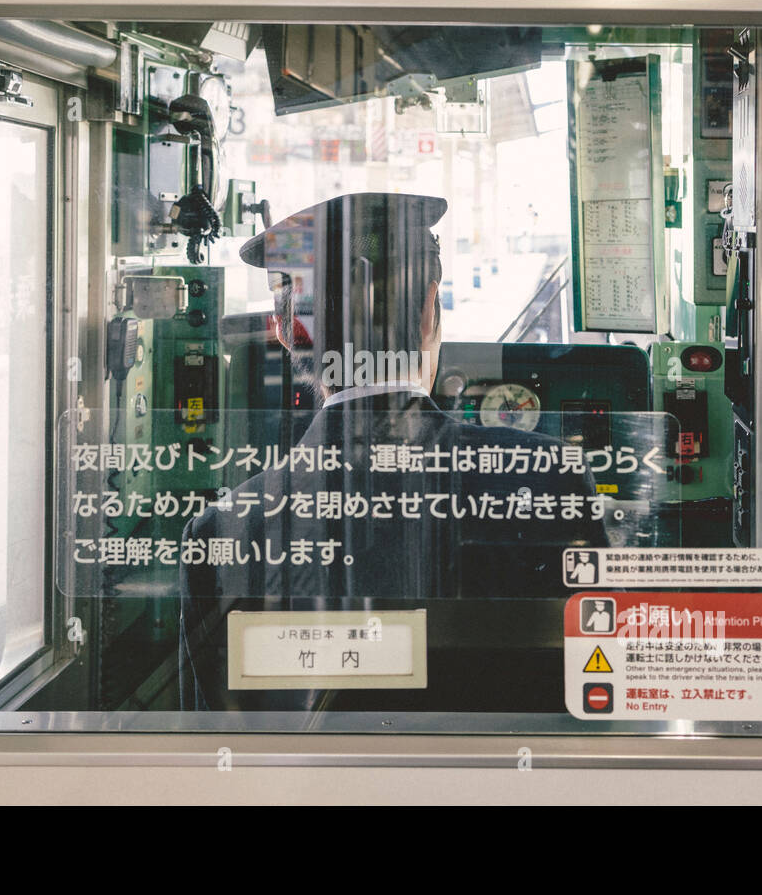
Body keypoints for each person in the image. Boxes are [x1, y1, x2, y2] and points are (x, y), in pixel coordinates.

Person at [178, 192, 608, 713]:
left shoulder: (222, 529)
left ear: (288, 332)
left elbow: (213, 740)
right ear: (429, 309)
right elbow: (595, 690)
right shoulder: (548, 476)